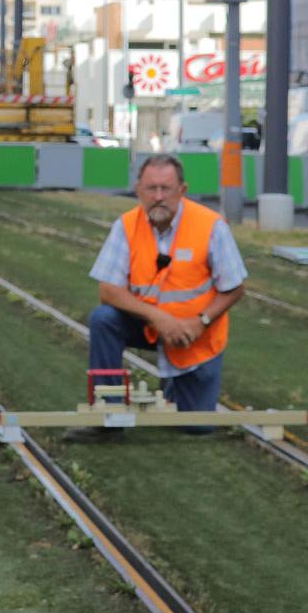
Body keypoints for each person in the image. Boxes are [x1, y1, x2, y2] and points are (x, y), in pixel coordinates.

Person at [77, 155, 248, 440]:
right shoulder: (126, 226)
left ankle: (174, 386)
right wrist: (159, 318)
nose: (158, 197)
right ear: (138, 190)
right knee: (103, 319)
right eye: (151, 188)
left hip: (196, 334)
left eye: (166, 189)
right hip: (148, 325)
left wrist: (200, 322)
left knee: (197, 426)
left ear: (182, 190)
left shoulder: (211, 226)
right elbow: (108, 290)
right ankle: (109, 412)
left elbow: (235, 287)